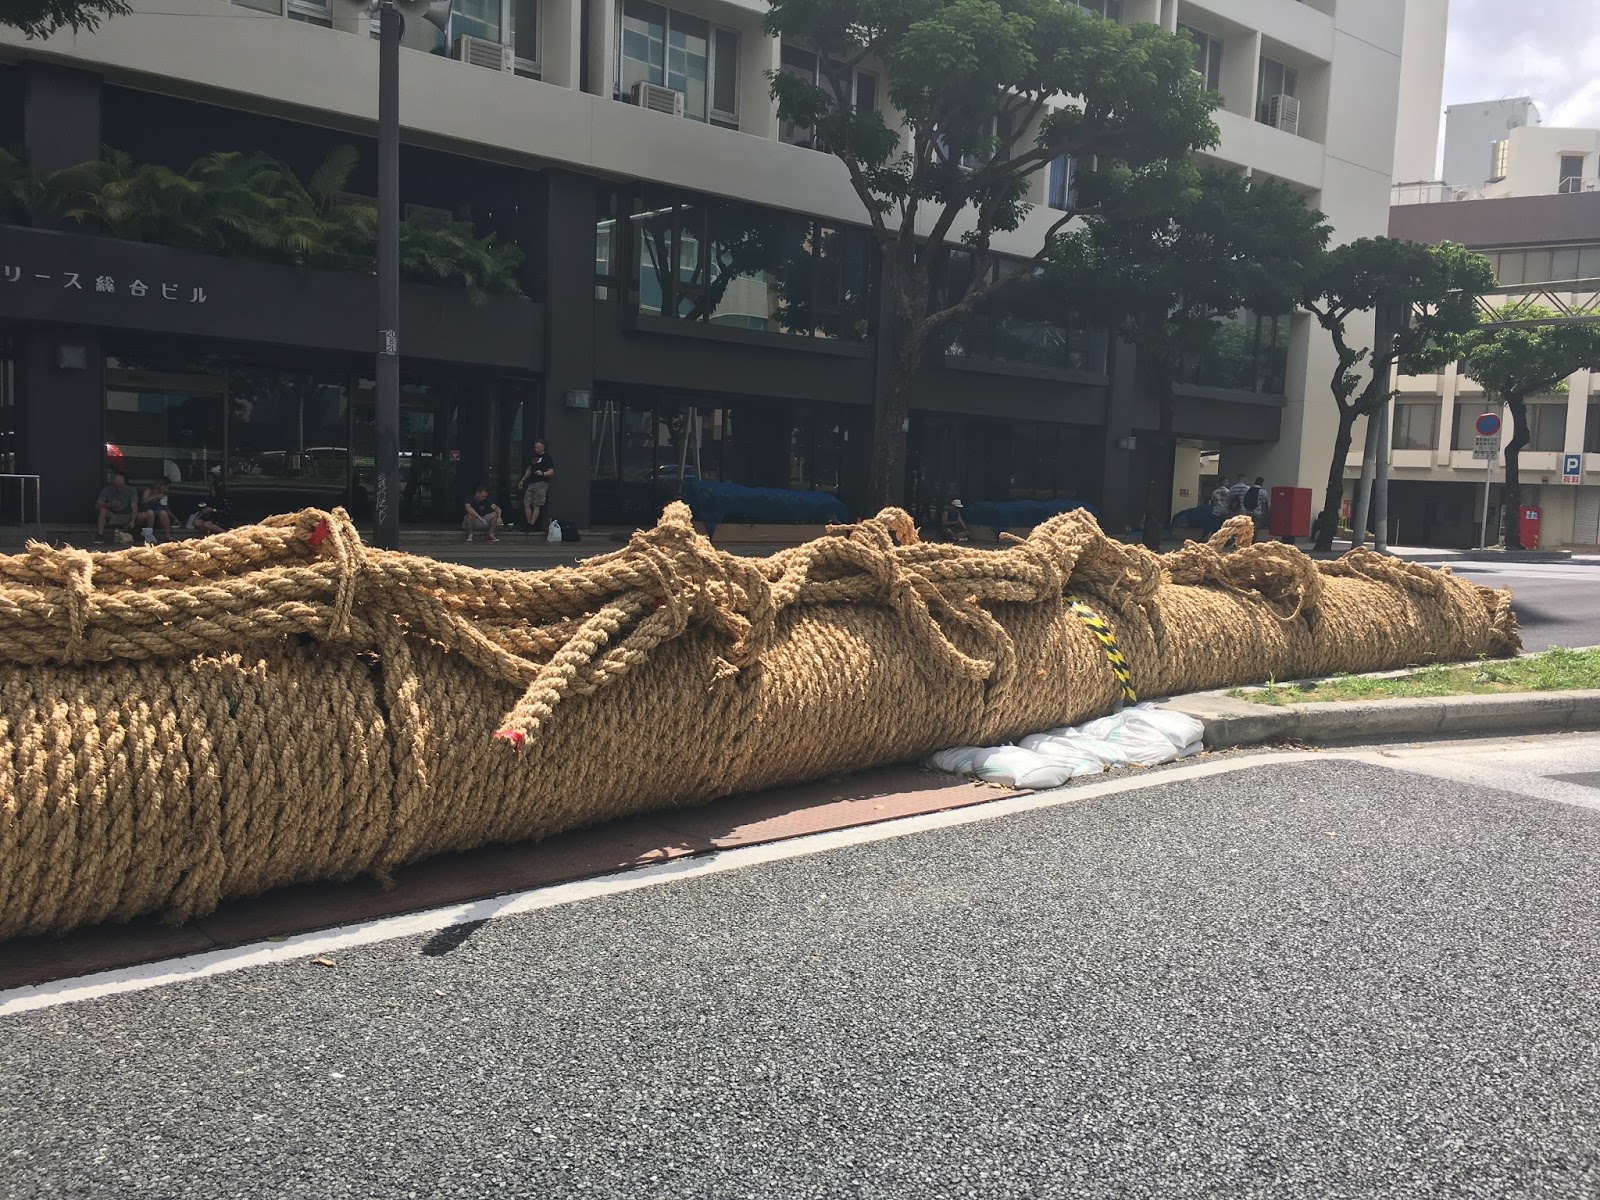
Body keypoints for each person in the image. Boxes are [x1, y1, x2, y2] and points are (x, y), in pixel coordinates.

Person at [518, 440, 555, 532]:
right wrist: (523, 479)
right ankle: (528, 522)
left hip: (541, 483)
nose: (536, 449)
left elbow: (551, 471)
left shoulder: (547, 458)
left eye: (538, 447)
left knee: (536, 504)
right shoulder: (534, 457)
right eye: (535, 447)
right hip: (531, 482)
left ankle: (531, 524)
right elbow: (529, 469)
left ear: (543, 447)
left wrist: (542, 473)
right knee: (526, 503)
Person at [94, 473, 140, 544]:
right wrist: (109, 504)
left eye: (121, 487)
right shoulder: (107, 490)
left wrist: (133, 520)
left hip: (127, 515)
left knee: (143, 514)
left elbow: (134, 506)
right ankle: (100, 535)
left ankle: (140, 534)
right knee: (103, 510)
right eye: (117, 487)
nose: (119, 489)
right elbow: (98, 505)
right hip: (113, 515)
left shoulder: (131, 490)